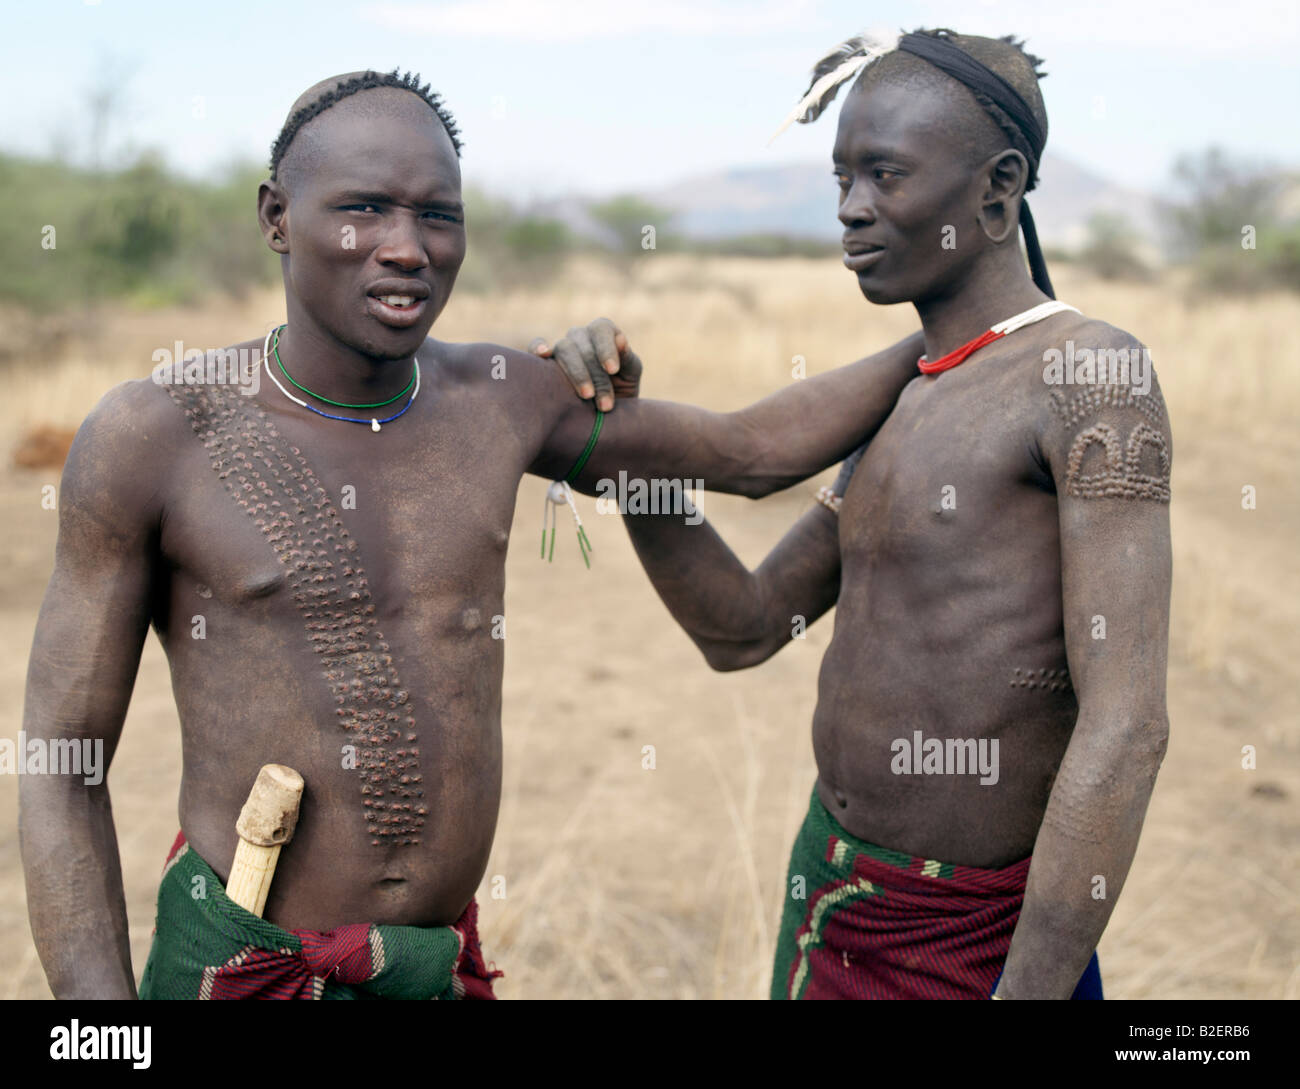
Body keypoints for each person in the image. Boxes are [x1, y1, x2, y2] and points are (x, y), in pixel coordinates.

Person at [18, 69, 923, 999]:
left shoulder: (505, 397)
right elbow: (60, 759)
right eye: (364, 209)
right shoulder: (156, 433)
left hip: (432, 967)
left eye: (437, 216)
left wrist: (951, 321)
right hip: (247, 966)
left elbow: (752, 449)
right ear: (277, 217)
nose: (407, 248)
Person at [547, 29, 1172, 1000]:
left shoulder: (1088, 376)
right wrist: (618, 444)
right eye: (840, 176)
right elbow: (746, 626)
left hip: (975, 935)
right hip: (833, 893)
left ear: (997, 190)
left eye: (884, 174)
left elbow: (1125, 728)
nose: (849, 210)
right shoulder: (904, 393)